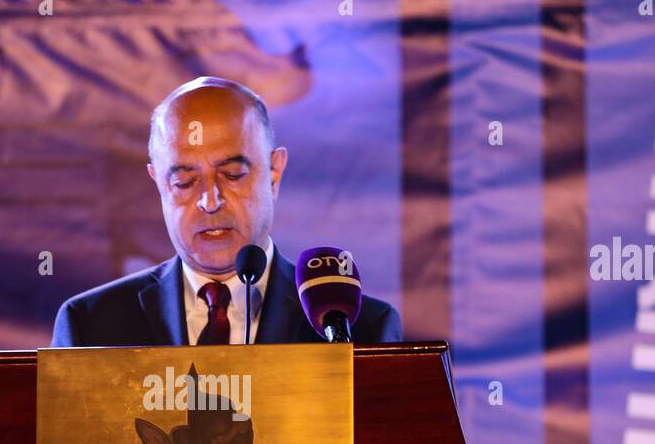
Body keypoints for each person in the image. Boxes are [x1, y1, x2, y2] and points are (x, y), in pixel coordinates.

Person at [51, 77, 402, 347]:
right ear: (157, 182)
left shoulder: (357, 328)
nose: (209, 200)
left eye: (232, 175)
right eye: (185, 182)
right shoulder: (90, 325)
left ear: (274, 172)